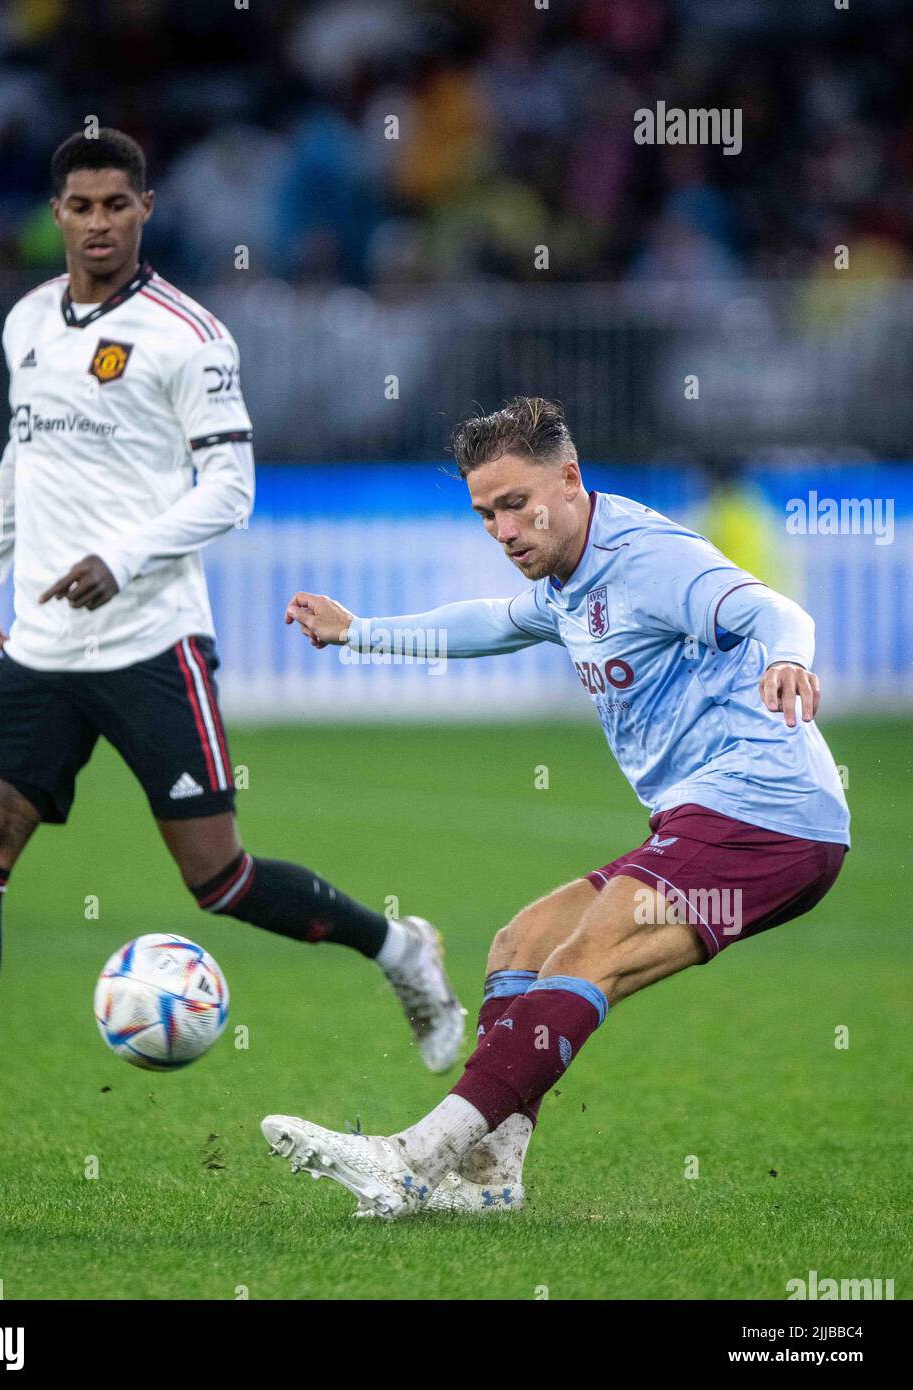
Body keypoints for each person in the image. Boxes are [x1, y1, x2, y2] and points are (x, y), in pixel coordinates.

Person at [0, 129, 462, 1159]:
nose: (98, 222)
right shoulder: (23, 324)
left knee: (217, 879)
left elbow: (231, 490)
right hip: (43, 648)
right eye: (80, 205)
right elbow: (24, 455)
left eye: (117, 204)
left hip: (152, 641)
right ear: (54, 214)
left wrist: (122, 557)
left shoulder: (190, 336)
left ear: (146, 208)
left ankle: (396, 947)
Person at [266, 396, 849, 1217]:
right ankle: (489, 1178)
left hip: (769, 814)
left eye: (515, 504)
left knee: (588, 956)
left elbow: (774, 609)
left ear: (568, 479)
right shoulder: (568, 578)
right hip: (708, 816)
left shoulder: (645, 557)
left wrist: (789, 658)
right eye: (485, 514)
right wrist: (359, 630)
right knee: (525, 942)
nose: (503, 530)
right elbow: (492, 625)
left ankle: (412, 1157)